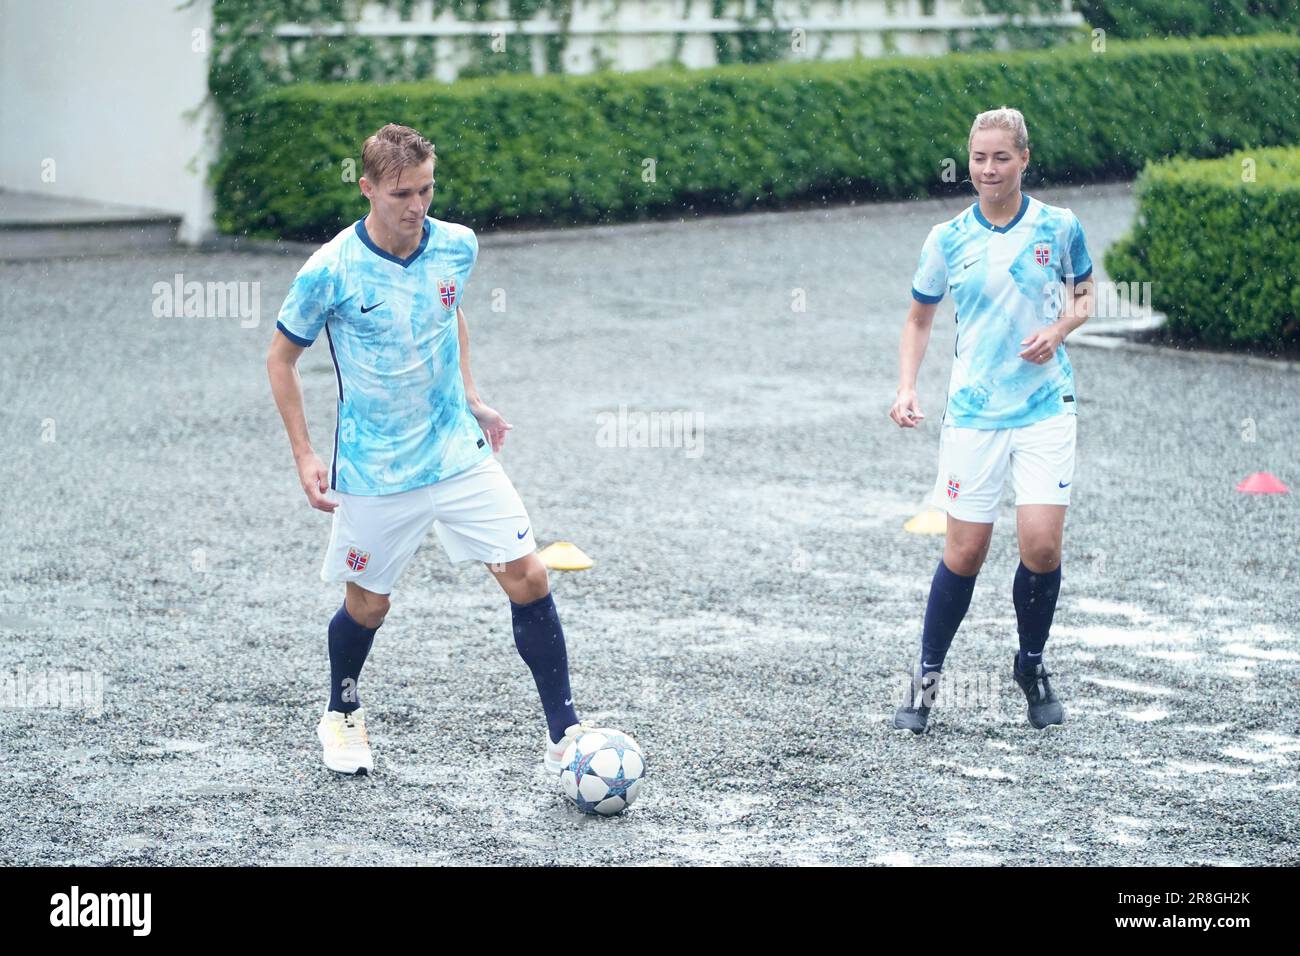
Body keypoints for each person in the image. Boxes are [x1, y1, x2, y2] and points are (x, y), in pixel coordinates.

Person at [267, 123, 589, 774]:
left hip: (454, 448)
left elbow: (451, 311)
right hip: (376, 465)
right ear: (367, 189)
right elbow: (280, 361)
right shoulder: (329, 270)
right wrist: (305, 456)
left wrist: (470, 393)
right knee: (369, 604)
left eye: (426, 189)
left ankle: (564, 735)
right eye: (401, 194)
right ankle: (343, 713)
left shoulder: (457, 247)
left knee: (527, 576)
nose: (417, 206)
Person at [888, 107, 1095, 734]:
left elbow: (1085, 295)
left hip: (1044, 408)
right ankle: (924, 682)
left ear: (1024, 159)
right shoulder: (946, 238)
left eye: (1001, 157)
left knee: (1041, 544)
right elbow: (919, 318)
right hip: (974, 414)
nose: (987, 169)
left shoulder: (1059, 227)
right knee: (966, 551)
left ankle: (1031, 667)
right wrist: (905, 387)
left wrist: (1059, 330)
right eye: (979, 158)